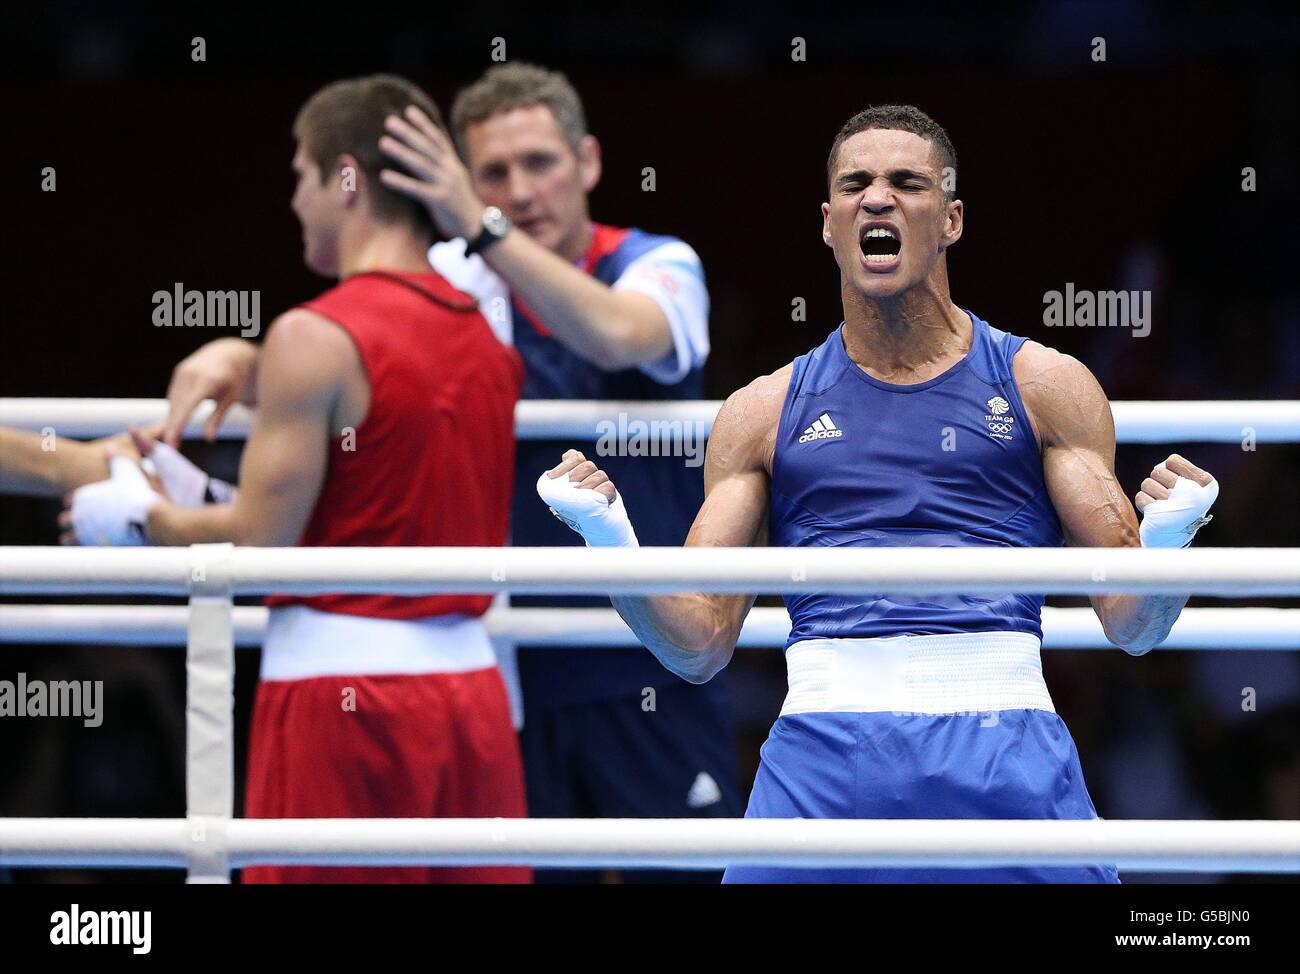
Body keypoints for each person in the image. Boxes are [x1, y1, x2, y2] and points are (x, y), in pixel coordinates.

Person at [535, 104, 1221, 883]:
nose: (877, 199)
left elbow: (1132, 626)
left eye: (907, 183)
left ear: (953, 218)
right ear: (829, 223)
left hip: (1005, 746)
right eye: (855, 184)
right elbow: (697, 646)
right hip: (823, 752)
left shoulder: (1043, 387)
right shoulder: (762, 412)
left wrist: (1166, 546)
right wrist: (612, 542)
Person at [157, 62, 743, 883]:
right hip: (508, 664)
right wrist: (246, 358)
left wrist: (481, 223)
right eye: (493, 173)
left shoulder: (657, 262)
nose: (520, 190)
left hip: (647, 660)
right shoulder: (459, 281)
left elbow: (617, 335)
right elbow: (361, 357)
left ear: (589, 163)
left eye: (539, 163)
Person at [64, 75, 529, 883]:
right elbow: (378, 490)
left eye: (299, 176)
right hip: (471, 703)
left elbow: (259, 541)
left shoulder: (315, 335)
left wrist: (135, 515)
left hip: (341, 701)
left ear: (343, 178)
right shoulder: (487, 340)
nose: (292, 202)